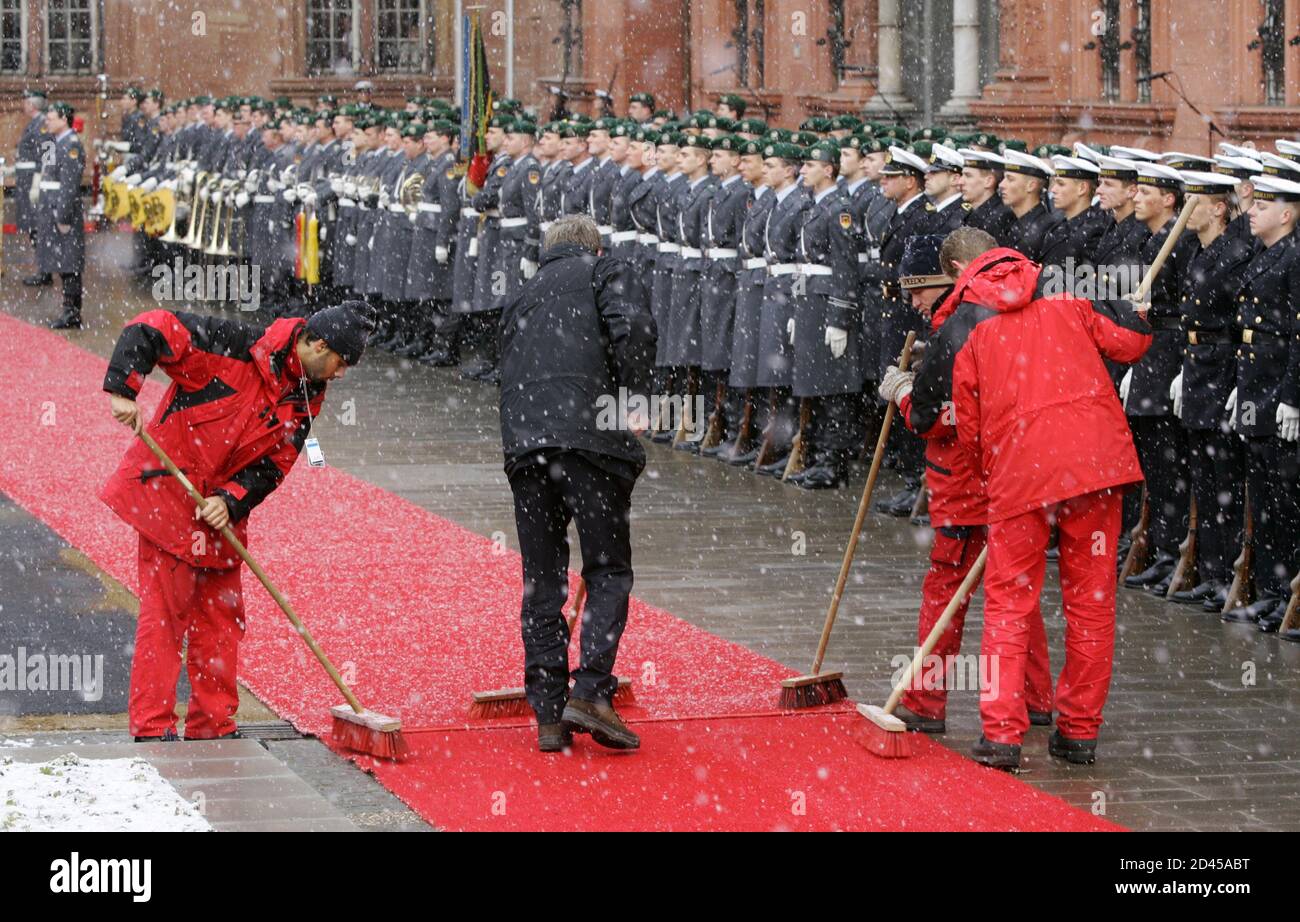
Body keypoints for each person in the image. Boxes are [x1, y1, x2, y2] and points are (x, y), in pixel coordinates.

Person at [100, 302, 371, 742]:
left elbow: (275, 465)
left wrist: (231, 499)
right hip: (169, 494)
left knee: (222, 618)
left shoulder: (305, 396)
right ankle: (153, 728)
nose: (341, 374)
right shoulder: (231, 346)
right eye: (341, 362)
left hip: (218, 516)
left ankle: (213, 725)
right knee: (166, 614)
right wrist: (123, 388)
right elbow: (152, 327)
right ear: (318, 345)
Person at [948, 244, 1152, 769]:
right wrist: (1131, 307)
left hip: (1019, 475)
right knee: (1091, 601)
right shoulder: (1070, 301)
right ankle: (1079, 731)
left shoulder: (970, 330)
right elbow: (1132, 344)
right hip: (1095, 469)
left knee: (1009, 603)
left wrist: (988, 476)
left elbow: (967, 429)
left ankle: (1002, 735)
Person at [879, 229, 1054, 732]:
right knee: (1017, 589)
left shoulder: (958, 324)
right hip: (1020, 470)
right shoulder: (1033, 304)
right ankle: (1036, 698)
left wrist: (907, 395)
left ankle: (924, 699)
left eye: (921, 288)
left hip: (962, 477)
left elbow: (935, 418)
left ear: (955, 273)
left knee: (945, 587)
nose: (913, 301)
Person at [499, 216, 657, 753]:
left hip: (526, 448)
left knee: (542, 581)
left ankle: (547, 711)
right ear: (594, 246)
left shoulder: (521, 294)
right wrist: (635, 396)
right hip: (592, 443)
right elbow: (632, 327)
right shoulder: (605, 270)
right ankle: (590, 690)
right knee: (608, 569)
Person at [37, 102, 86, 330]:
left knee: (69, 262)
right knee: (62, 260)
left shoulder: (71, 145)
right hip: (51, 207)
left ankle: (72, 312)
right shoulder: (55, 142)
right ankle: (68, 309)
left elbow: (69, 184)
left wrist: (63, 216)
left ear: (63, 119)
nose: (47, 121)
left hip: (62, 210)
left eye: (51, 117)